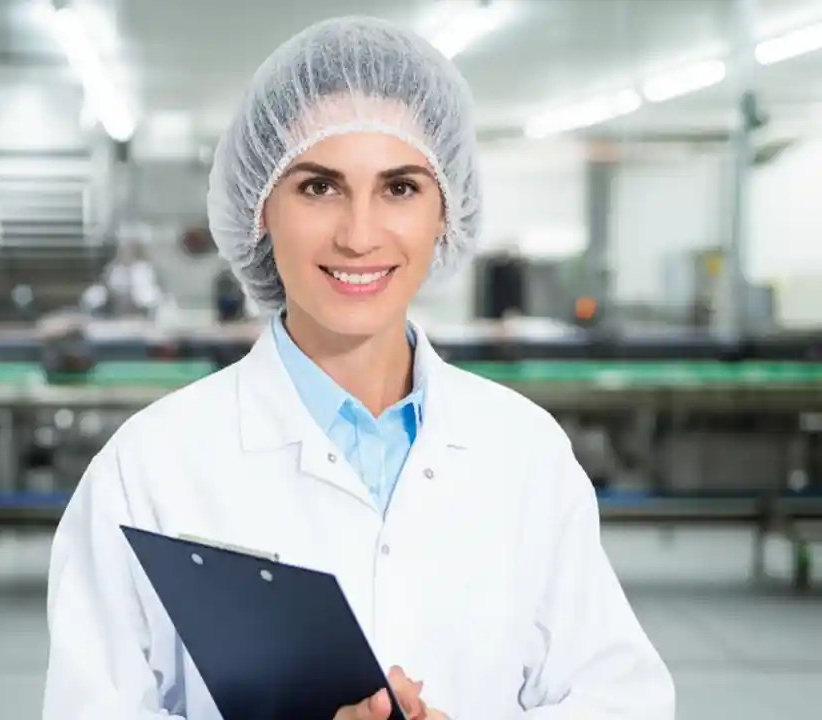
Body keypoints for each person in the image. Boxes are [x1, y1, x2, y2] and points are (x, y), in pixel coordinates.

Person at [43, 16, 674, 720]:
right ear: (260, 208)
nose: (359, 235)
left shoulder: (525, 452)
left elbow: (623, 699)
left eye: (400, 188)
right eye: (320, 187)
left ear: (446, 211)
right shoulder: (149, 467)